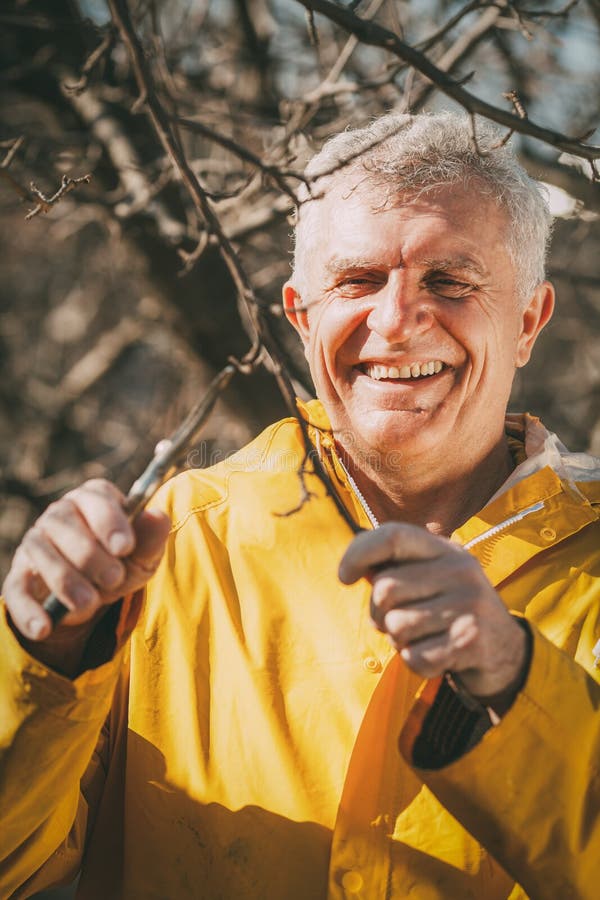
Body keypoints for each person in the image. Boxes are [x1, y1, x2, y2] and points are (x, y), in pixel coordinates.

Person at [1, 112, 599, 900]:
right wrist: (44, 655)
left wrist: (514, 684)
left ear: (527, 321)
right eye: (357, 280)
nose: (395, 320)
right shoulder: (171, 545)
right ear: (300, 314)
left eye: (451, 281)